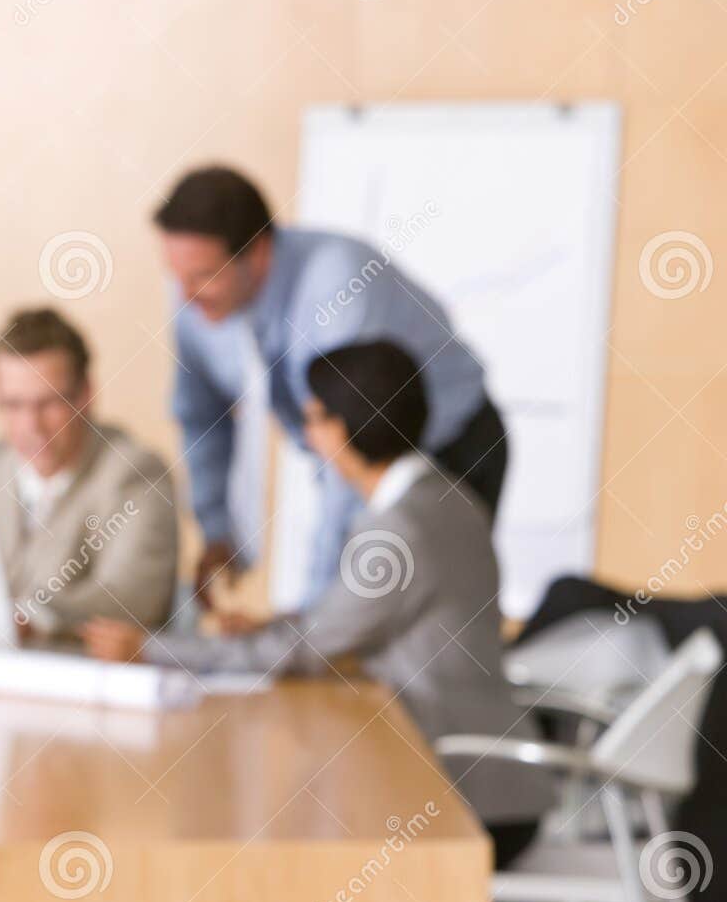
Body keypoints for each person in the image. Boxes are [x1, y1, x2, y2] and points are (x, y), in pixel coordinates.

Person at [83, 340, 551, 867]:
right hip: (493, 783)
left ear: (347, 427)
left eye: (313, 419)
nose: (306, 436)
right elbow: (356, 620)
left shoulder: (398, 530)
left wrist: (150, 650)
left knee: (284, 830)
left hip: (463, 800)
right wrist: (273, 625)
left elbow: (304, 652)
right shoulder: (446, 497)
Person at [155, 165, 507, 609]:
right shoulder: (196, 300)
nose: (185, 294)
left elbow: (351, 451)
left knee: (406, 618)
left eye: (204, 275)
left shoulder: (336, 288)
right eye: (177, 275)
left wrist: (313, 618)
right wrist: (217, 531)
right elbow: (201, 417)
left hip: (451, 448)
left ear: (257, 254)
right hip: (355, 459)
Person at [0, 308, 179, 647]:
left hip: (87, 672)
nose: (32, 426)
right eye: (13, 405)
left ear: (85, 395)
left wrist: (31, 616)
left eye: (48, 403)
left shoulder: (137, 474)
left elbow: (132, 600)